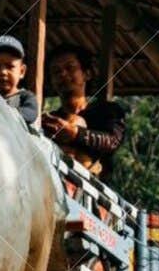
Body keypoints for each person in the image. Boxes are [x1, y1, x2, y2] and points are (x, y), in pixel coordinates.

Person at [41, 44, 127, 177]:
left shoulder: (107, 111)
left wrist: (76, 133)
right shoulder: (50, 121)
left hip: (94, 186)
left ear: (87, 74)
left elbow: (113, 141)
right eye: (56, 71)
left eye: (70, 68)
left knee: (76, 120)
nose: (63, 74)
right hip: (53, 184)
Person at [0, 34, 40, 130]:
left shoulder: (26, 97)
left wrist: (1, 114)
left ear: (22, 71)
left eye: (10, 66)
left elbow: (30, 114)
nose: (3, 72)